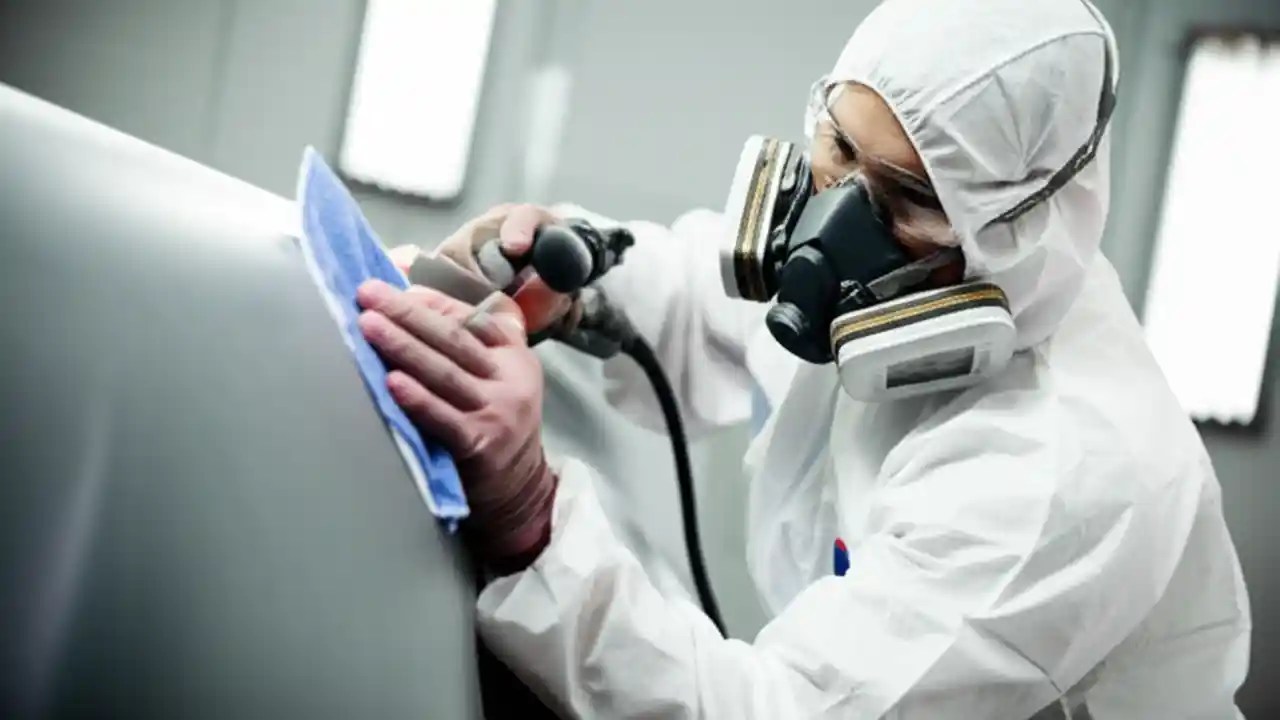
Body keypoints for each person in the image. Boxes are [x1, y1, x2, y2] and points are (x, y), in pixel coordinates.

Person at [355, 0, 1252, 716]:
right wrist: (584, 278)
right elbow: (703, 298)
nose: (830, 229)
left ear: (1008, 232)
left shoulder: (1060, 476)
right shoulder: (897, 277)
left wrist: (529, 514)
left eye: (904, 197)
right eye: (839, 149)